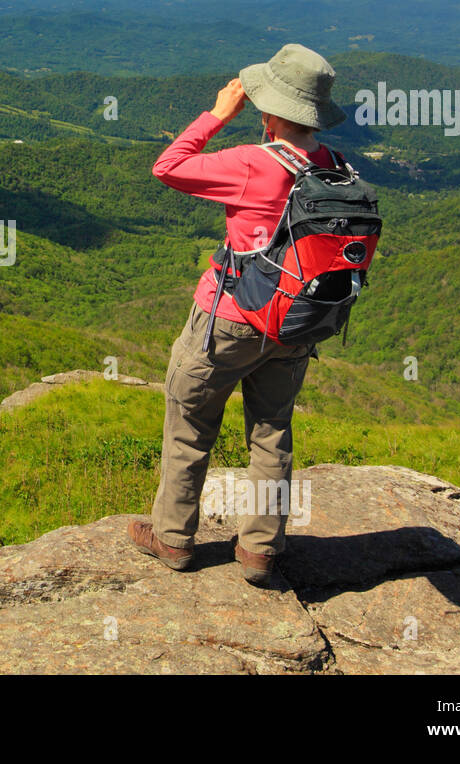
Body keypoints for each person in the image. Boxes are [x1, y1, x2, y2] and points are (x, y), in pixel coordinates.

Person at [128, 43, 349, 586]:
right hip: (296, 323)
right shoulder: (336, 168)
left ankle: (174, 539)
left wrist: (217, 114)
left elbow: (168, 166)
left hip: (228, 318)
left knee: (188, 428)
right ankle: (260, 551)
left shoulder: (254, 161)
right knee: (272, 431)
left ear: (271, 109)